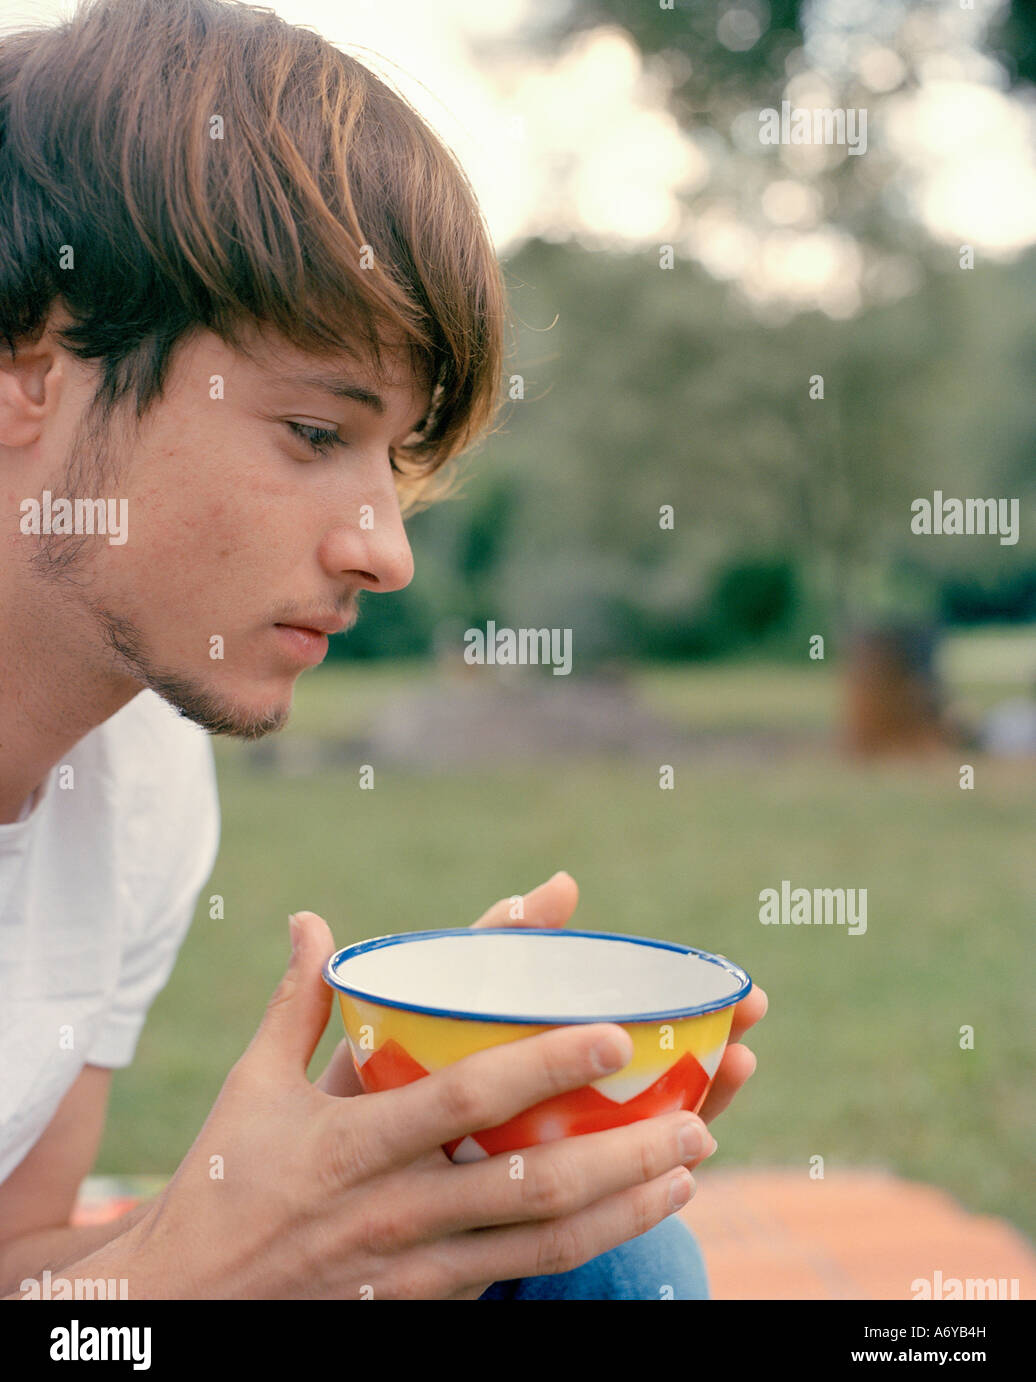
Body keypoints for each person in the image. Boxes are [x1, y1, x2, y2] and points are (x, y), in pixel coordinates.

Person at [0, 0, 765, 1300]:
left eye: (393, 459)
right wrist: (184, 1283)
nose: (385, 551)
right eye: (312, 432)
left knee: (587, 1244)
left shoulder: (138, 780)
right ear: (35, 361)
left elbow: (22, 1262)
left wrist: (346, 1191)